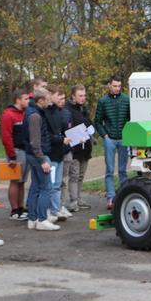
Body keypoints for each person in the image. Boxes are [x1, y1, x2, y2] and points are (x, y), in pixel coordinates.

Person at [22, 87, 60, 231]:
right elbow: (35, 142)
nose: (50, 103)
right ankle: (42, 219)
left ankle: (32, 218)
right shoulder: (35, 116)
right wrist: (43, 160)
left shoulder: (32, 112)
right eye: (48, 100)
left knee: (35, 186)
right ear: (41, 100)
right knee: (46, 187)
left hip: (32, 155)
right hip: (38, 155)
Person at [93, 74, 130, 209]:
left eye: (119, 86)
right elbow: (97, 121)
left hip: (123, 139)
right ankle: (110, 198)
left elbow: (131, 119)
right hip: (110, 139)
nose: (117, 88)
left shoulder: (127, 100)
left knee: (123, 170)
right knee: (109, 169)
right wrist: (105, 136)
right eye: (114, 86)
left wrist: (127, 134)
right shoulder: (103, 101)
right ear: (109, 85)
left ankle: (124, 196)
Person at [0, 85, 32, 220]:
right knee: (15, 181)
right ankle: (14, 210)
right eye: (25, 99)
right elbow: (6, 136)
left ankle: (21, 207)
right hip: (16, 152)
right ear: (18, 100)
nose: (28, 101)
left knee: (22, 181)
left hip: (26, 151)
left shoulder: (26, 113)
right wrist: (11, 156)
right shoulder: (8, 115)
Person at [44, 87, 72, 222]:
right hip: (51, 154)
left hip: (60, 153)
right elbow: (47, 135)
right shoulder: (44, 113)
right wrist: (61, 139)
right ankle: (49, 211)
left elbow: (62, 130)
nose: (59, 98)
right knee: (51, 184)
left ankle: (56, 210)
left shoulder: (58, 112)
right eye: (57, 95)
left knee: (57, 184)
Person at [66, 84, 93, 212]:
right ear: (73, 96)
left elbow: (89, 124)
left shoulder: (84, 109)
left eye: (84, 95)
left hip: (86, 147)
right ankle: (73, 201)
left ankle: (79, 198)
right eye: (80, 96)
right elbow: (67, 128)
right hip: (75, 148)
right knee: (74, 175)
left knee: (81, 175)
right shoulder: (67, 110)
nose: (83, 98)